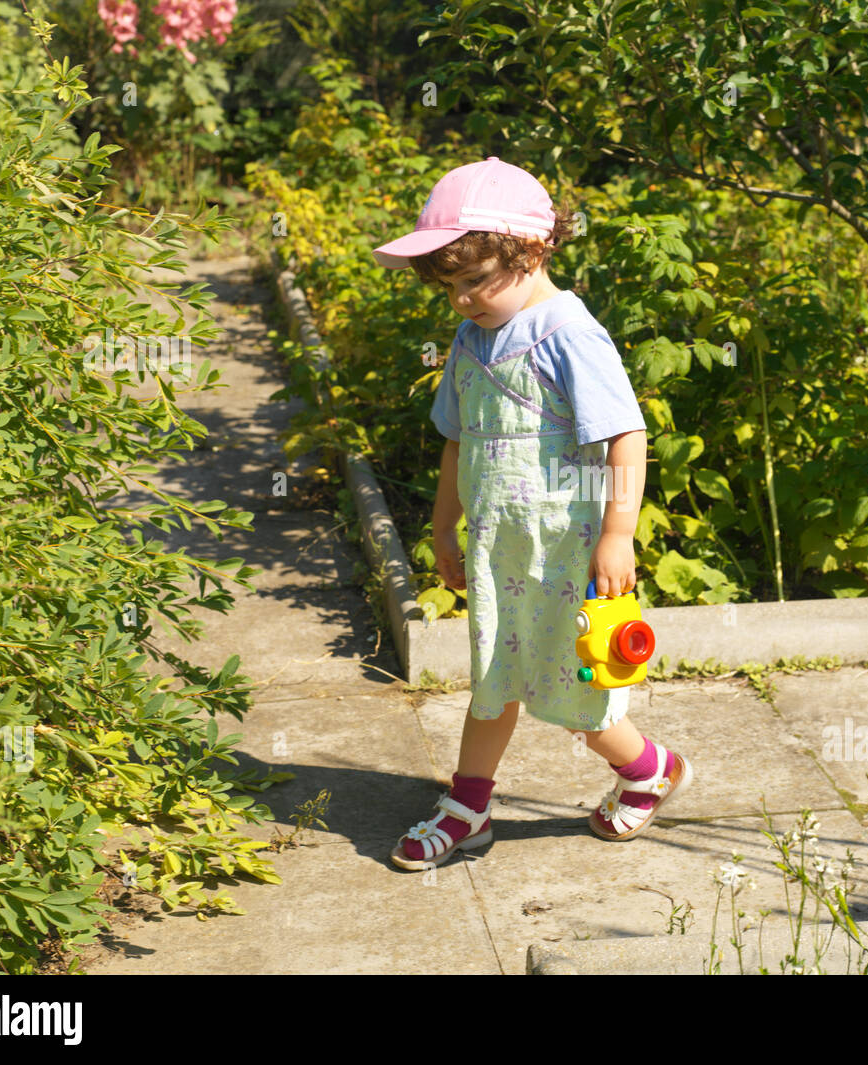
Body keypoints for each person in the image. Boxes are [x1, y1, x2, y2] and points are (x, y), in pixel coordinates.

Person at [372, 156, 693, 871]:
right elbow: (458, 440)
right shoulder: (470, 340)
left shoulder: (567, 333)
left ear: (533, 249)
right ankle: (469, 806)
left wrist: (618, 532)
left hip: (565, 549)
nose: (460, 300)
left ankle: (649, 768)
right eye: (449, 286)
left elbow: (625, 433)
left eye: (474, 280)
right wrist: (442, 526)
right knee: (493, 675)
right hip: (499, 549)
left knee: (573, 690)